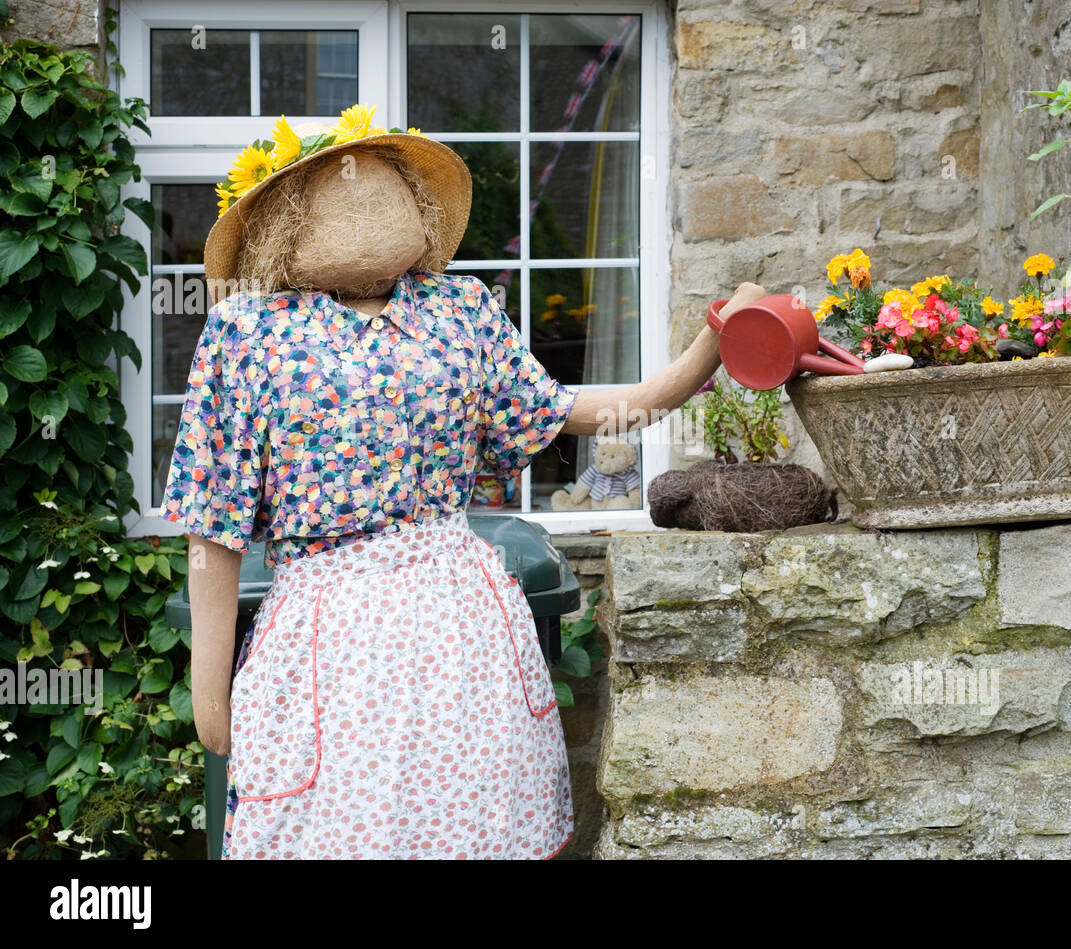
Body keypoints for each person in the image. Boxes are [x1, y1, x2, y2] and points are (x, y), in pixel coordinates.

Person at [161, 106, 765, 859]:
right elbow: (212, 524)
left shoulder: (463, 312)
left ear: (419, 206)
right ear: (289, 216)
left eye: (386, 188)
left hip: (463, 632)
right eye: (342, 188)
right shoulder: (245, 334)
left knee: (475, 827)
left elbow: (568, 410)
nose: (366, 203)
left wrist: (703, 353)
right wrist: (207, 686)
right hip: (330, 649)